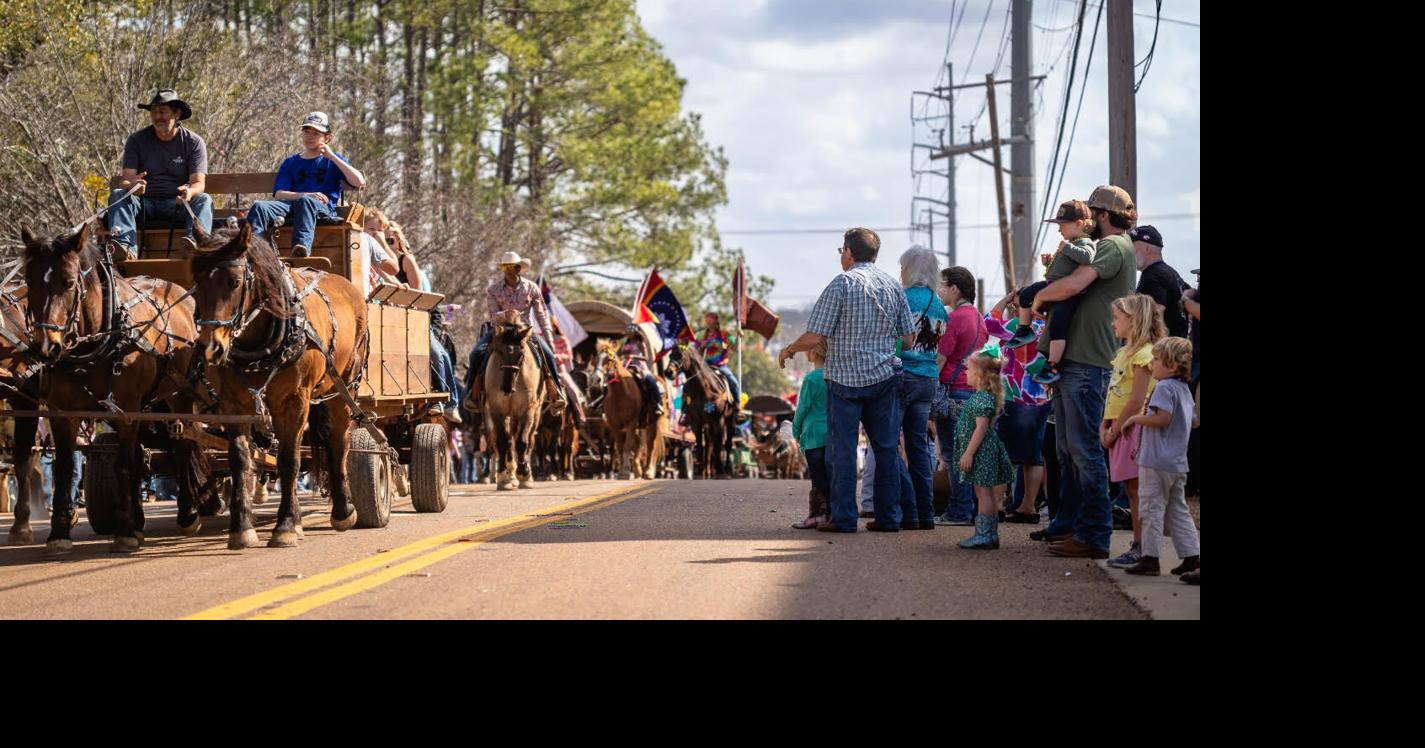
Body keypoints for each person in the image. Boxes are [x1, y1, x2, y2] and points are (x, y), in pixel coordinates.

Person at [777, 228, 916, 533]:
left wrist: (788, 349)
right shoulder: (893, 286)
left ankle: (844, 518)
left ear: (850, 253)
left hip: (844, 383)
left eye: (841, 250)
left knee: (842, 451)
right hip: (883, 380)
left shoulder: (841, 284)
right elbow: (908, 340)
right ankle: (889, 518)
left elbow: (816, 335)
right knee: (886, 450)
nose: (841, 255)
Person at [1032, 184, 1140, 560]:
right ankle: (1072, 524)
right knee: (1068, 450)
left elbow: (1076, 284)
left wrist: (1041, 295)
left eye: (1095, 213)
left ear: (1104, 216)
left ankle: (1093, 533)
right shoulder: (1113, 246)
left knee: (1083, 451)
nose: (1091, 220)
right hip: (1079, 361)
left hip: (1088, 362)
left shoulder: (1113, 246)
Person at [1119, 337, 1200, 577]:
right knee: (1177, 509)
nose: (1151, 364)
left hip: (1156, 461)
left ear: (1172, 365)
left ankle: (1150, 557)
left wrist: (1134, 419)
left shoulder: (1164, 387)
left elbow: (1161, 418)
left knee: (1150, 508)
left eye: (1156, 360)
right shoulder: (1184, 388)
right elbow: (1194, 421)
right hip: (1176, 462)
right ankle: (1191, 555)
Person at [105, 89, 213, 260]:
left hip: (177, 204)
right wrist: (133, 186)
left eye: (162, 112)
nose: (158, 117)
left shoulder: (193, 142)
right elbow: (125, 182)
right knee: (118, 195)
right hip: (144, 203)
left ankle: (195, 246)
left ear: (177, 114)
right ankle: (124, 248)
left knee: (204, 199)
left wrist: (189, 192)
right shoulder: (136, 140)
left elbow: (199, 183)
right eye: (154, 112)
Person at [1102, 294, 1166, 569]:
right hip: (1120, 428)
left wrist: (1115, 429)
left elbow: (1136, 400)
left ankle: (1143, 547)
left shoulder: (1143, 355)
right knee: (1131, 490)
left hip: (1132, 431)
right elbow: (1115, 393)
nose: (1113, 322)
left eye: (1117, 318)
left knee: (1138, 490)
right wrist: (1104, 424)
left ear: (1133, 320)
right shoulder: (1124, 353)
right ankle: (1140, 545)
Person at [245, 111, 366, 258]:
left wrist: (332, 156)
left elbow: (359, 182)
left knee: (306, 201)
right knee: (259, 207)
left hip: (322, 209)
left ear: (327, 138)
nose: (309, 136)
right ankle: (256, 252)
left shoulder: (332, 161)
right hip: (292, 206)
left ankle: (301, 249)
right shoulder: (291, 162)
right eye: (306, 131)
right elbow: (279, 193)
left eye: (316, 133)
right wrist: (305, 194)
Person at [1004, 199, 1097, 385]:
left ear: (1079, 224)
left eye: (1062, 224)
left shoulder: (1085, 242)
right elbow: (1064, 265)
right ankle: (1024, 329)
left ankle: (1052, 365)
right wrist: (1048, 263)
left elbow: (1088, 257)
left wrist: (1068, 248)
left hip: (1067, 292)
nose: (1059, 229)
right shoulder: (1072, 242)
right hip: (1052, 284)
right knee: (1025, 294)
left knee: (1057, 326)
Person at [463, 252, 567, 415]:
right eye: (506, 267)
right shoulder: (493, 290)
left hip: (524, 331)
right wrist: (507, 315)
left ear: (519, 268)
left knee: (548, 354)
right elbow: (493, 314)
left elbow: (541, 314)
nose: (510, 270)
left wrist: (548, 338)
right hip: (500, 331)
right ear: (503, 269)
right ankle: (471, 394)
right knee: (476, 353)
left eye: (513, 267)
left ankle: (556, 393)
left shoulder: (532, 288)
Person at [983, 291, 1051, 524]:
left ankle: (998, 504)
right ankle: (1028, 506)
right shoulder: (1047, 325)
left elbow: (988, 323)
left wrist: (1005, 300)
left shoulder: (1017, 325)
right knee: (1033, 455)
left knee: (1006, 454)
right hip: (1043, 396)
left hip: (1015, 395)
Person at [894, 246, 946, 530]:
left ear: (910, 270)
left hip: (904, 374)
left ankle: (908, 511)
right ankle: (925, 514)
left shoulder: (902, 298)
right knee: (917, 447)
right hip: (929, 378)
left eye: (902, 268)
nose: (900, 273)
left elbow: (897, 338)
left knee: (889, 443)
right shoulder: (938, 304)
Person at [932, 266, 987, 526]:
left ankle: (959, 509)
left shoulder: (954, 319)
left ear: (955, 288)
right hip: (973, 390)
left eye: (942, 285)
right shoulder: (978, 318)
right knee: (969, 452)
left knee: (953, 454)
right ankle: (974, 507)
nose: (939, 290)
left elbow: (940, 359)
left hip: (953, 391)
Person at [955, 353, 1016, 549]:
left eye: (970, 370)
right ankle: (988, 533)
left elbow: (980, 428)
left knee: (983, 492)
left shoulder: (982, 399)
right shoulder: (983, 397)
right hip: (983, 451)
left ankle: (984, 534)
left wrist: (968, 453)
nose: (966, 372)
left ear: (981, 375)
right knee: (983, 491)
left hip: (981, 452)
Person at [791, 341, 830, 529]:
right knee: (830, 475)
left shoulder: (811, 379)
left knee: (817, 477)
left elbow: (803, 408)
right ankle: (830, 514)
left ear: (814, 353)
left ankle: (816, 515)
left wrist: (795, 430)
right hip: (833, 433)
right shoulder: (835, 376)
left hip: (813, 434)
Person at [1129, 225, 1191, 338]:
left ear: (1147, 248)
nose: (1130, 253)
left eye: (1132, 247)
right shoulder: (1170, 272)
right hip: (1174, 348)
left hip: (1161, 350)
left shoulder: (1153, 275)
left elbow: (1156, 313)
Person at [695, 313, 741, 407]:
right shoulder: (699, 335)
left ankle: (737, 406)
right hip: (704, 366)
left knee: (734, 383)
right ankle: (686, 410)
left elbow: (735, 348)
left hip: (720, 366)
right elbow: (694, 352)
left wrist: (738, 337)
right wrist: (701, 347)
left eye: (711, 319)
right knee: (689, 383)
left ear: (716, 321)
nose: (709, 321)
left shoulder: (724, 335)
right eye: (707, 319)